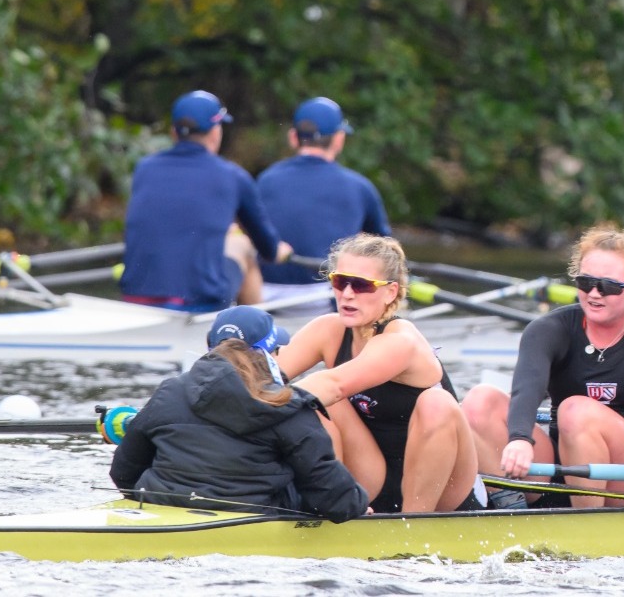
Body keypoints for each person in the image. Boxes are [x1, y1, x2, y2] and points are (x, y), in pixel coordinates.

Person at [461, 225, 624, 506]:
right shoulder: (548, 329)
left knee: (575, 409)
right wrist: (519, 438)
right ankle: (511, 505)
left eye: (607, 286)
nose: (594, 294)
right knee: (479, 400)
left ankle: (585, 525)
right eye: (585, 282)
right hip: (566, 464)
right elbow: (526, 390)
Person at [279, 233, 480, 513]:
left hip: (442, 487)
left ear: (391, 292)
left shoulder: (401, 341)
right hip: (372, 476)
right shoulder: (327, 330)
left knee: (437, 403)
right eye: (340, 281)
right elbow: (266, 375)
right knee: (307, 398)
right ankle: (330, 502)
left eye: (361, 285)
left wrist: (266, 401)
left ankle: (414, 524)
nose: (347, 293)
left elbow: (334, 384)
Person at [110, 307, 368, 520]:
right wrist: (356, 506)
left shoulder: (170, 392)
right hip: (254, 518)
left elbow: (122, 473)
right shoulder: (286, 405)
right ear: (269, 354)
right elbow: (332, 497)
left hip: (161, 506)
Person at [120, 90, 293, 311]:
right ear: (215, 132)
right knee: (242, 246)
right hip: (198, 304)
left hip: (136, 299)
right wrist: (280, 251)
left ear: (174, 132)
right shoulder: (233, 176)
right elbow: (267, 248)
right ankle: (256, 340)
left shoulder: (144, 169)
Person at [256, 96, 391, 305]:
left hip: (264, 295)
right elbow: (385, 253)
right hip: (326, 296)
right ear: (339, 139)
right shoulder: (360, 188)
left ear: (293, 137)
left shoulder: (265, 180)